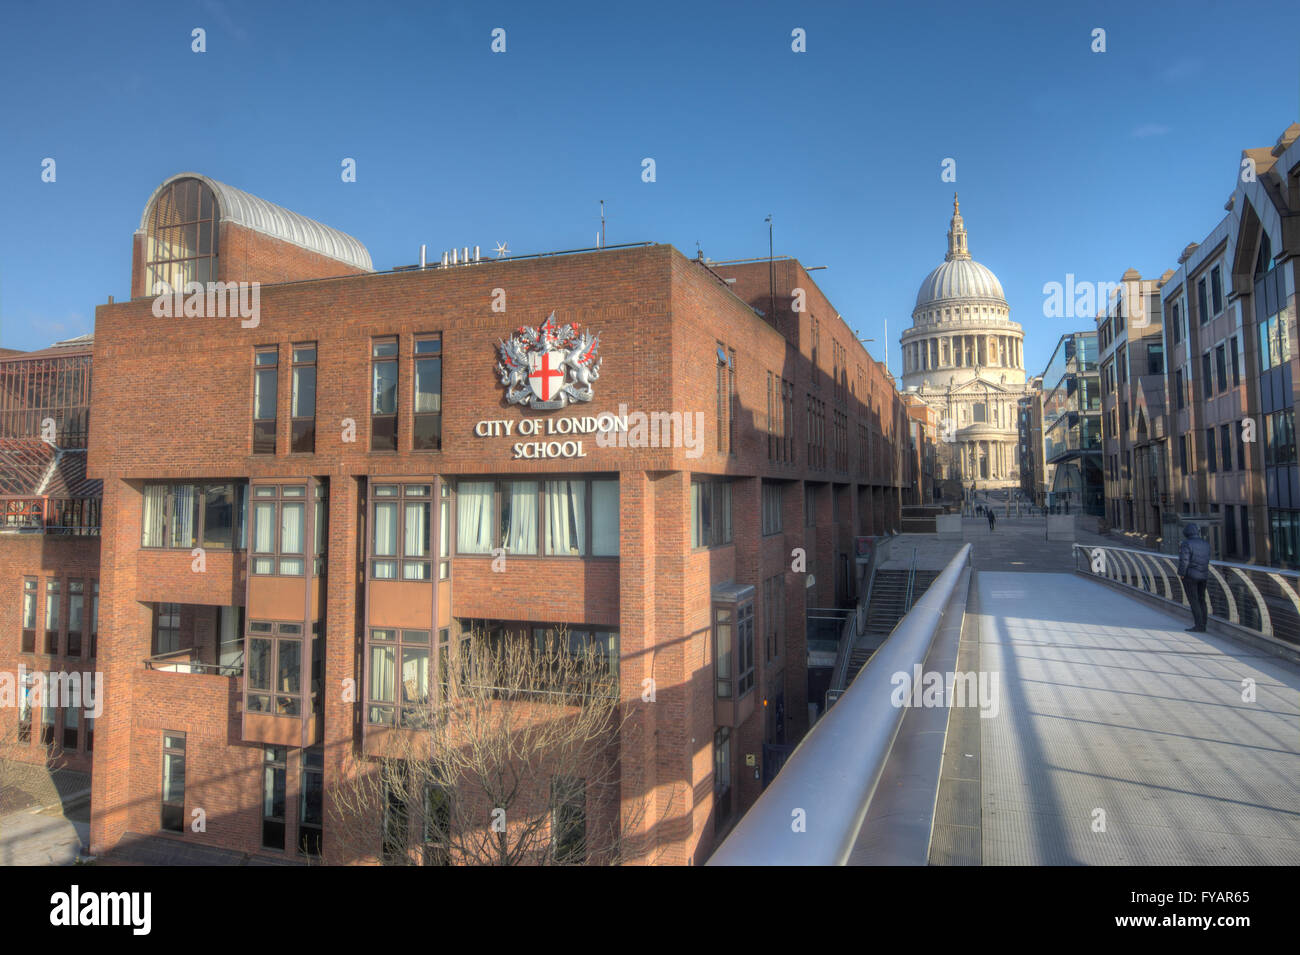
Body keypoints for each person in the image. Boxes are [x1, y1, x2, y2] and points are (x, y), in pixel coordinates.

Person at [1177, 523, 1211, 632]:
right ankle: (1203, 624)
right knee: (1202, 600)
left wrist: (1181, 574)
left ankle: (1198, 625)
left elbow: (1184, 561)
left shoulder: (1186, 544)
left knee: (1194, 600)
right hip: (1203, 575)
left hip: (1190, 576)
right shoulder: (1205, 543)